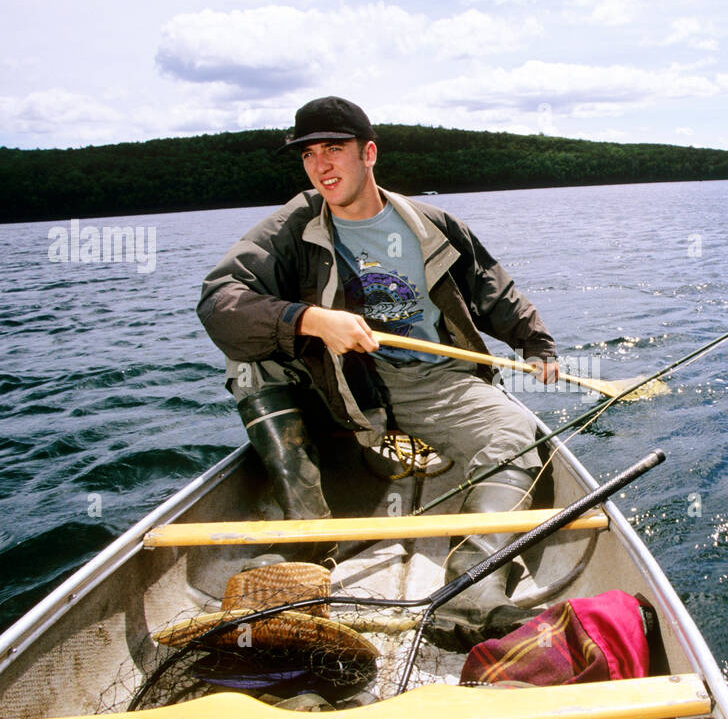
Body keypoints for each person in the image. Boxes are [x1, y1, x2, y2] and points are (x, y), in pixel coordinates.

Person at [197, 96, 558, 644]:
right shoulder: (289, 229)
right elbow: (219, 302)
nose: (321, 165)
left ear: (368, 153)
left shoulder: (430, 223)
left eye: (334, 150)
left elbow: (490, 285)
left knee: (514, 434)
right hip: (337, 384)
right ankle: (311, 533)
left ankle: (470, 592)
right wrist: (311, 319)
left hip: (433, 381)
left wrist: (535, 342)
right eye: (309, 154)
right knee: (248, 356)